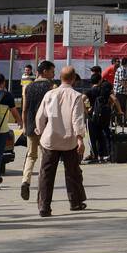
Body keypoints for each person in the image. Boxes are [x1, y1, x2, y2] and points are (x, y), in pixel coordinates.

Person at [35, 65, 88, 217]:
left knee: (46, 174)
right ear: (73, 79)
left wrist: (40, 133)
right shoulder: (76, 96)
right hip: (69, 141)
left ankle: (44, 207)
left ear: (60, 77)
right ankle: (75, 202)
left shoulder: (50, 94)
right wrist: (80, 140)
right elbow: (77, 119)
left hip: (50, 140)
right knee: (73, 173)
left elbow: (40, 117)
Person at [20, 60, 55, 201]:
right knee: (44, 157)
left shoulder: (28, 87)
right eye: (52, 71)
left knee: (31, 156)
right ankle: (42, 188)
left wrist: (23, 126)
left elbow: (24, 109)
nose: (54, 74)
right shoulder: (51, 87)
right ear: (45, 71)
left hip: (30, 126)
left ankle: (25, 181)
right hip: (46, 127)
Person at [85, 66, 115, 163]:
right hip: (104, 115)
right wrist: (113, 108)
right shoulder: (105, 87)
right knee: (104, 135)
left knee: (93, 136)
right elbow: (113, 99)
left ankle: (95, 155)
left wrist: (86, 110)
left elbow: (81, 99)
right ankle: (106, 155)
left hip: (93, 115)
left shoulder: (91, 90)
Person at [113, 58, 127, 127]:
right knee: (121, 108)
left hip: (120, 91)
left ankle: (120, 122)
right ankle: (122, 122)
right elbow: (122, 81)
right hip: (120, 91)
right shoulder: (122, 70)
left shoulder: (121, 69)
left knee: (119, 108)